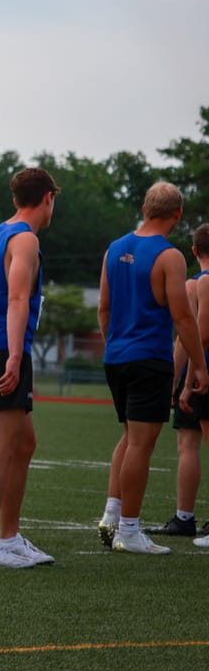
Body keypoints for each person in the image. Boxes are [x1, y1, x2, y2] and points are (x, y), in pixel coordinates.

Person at [94, 184, 207, 555]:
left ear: (144, 207)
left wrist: (114, 345)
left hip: (117, 357)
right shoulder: (169, 256)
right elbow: (183, 318)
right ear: (177, 214)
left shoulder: (114, 248)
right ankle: (128, 528)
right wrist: (199, 367)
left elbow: (104, 308)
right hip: (150, 359)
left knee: (129, 438)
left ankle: (112, 514)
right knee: (142, 445)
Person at [0, 166, 59, 569]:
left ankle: (9, 536)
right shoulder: (24, 240)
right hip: (3, 348)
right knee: (1, 447)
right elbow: (18, 299)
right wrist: (16, 356)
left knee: (24, 444)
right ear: (48, 198)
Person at [155, 225, 209, 541]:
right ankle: (184, 517)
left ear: (193, 251)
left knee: (190, 443)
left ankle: (185, 516)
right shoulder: (194, 284)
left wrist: (183, 382)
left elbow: (194, 338)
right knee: (186, 442)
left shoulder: (198, 284)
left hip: (201, 374)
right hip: (199, 372)